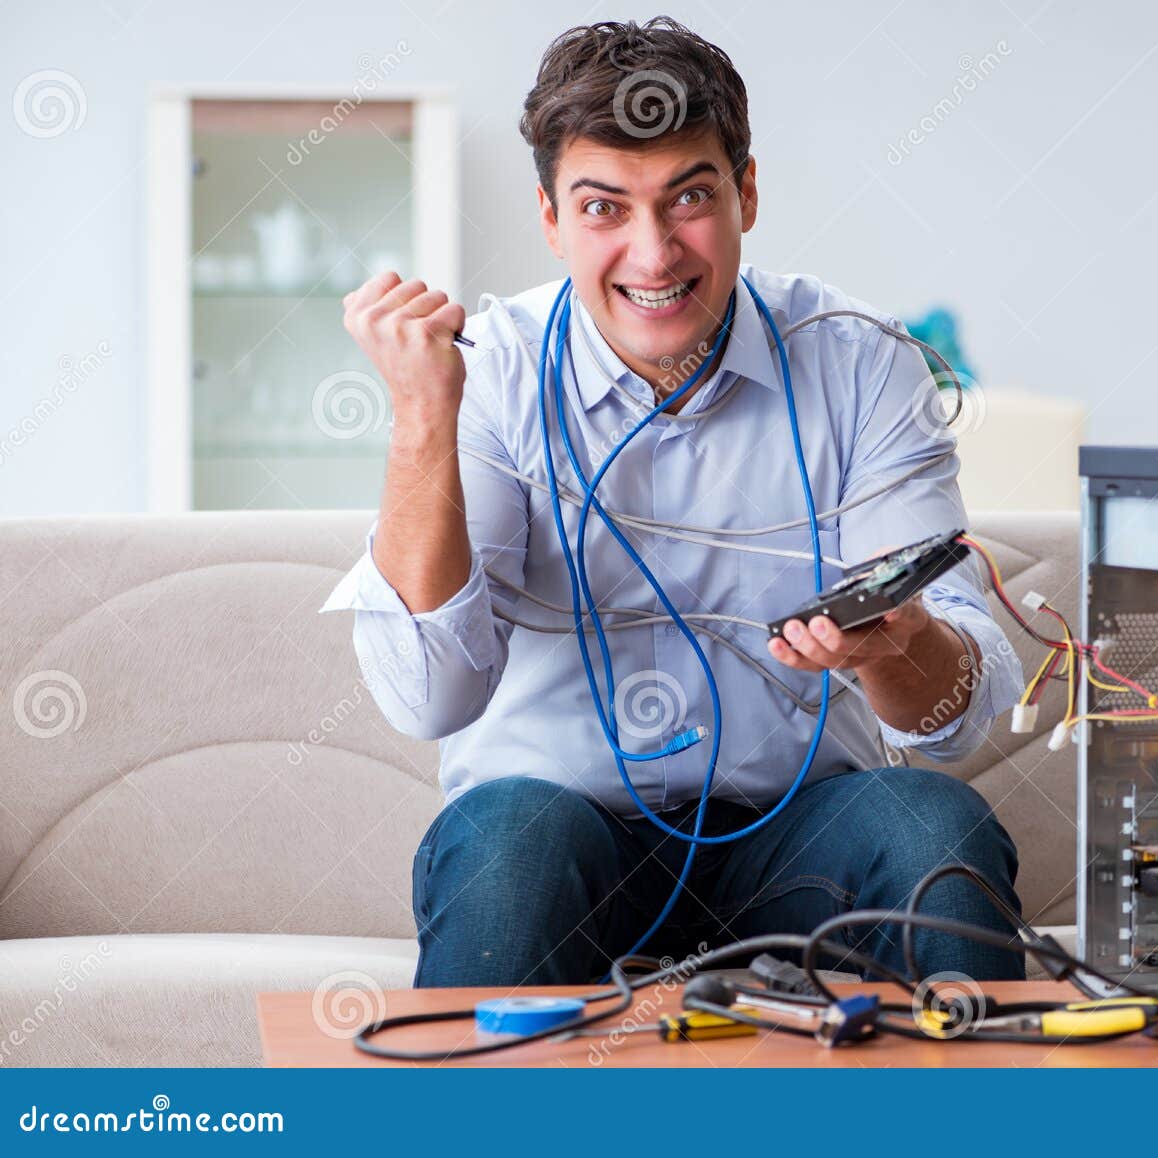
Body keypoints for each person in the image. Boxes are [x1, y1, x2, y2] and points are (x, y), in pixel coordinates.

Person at [320, 16, 1026, 988]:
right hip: (559, 839)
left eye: (688, 198)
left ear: (745, 193)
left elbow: (948, 724)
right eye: (604, 207)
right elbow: (426, 698)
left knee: (934, 828)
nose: (653, 256)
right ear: (549, 217)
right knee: (509, 843)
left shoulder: (863, 365)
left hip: (799, 838)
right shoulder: (492, 373)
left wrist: (893, 644)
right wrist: (419, 421)